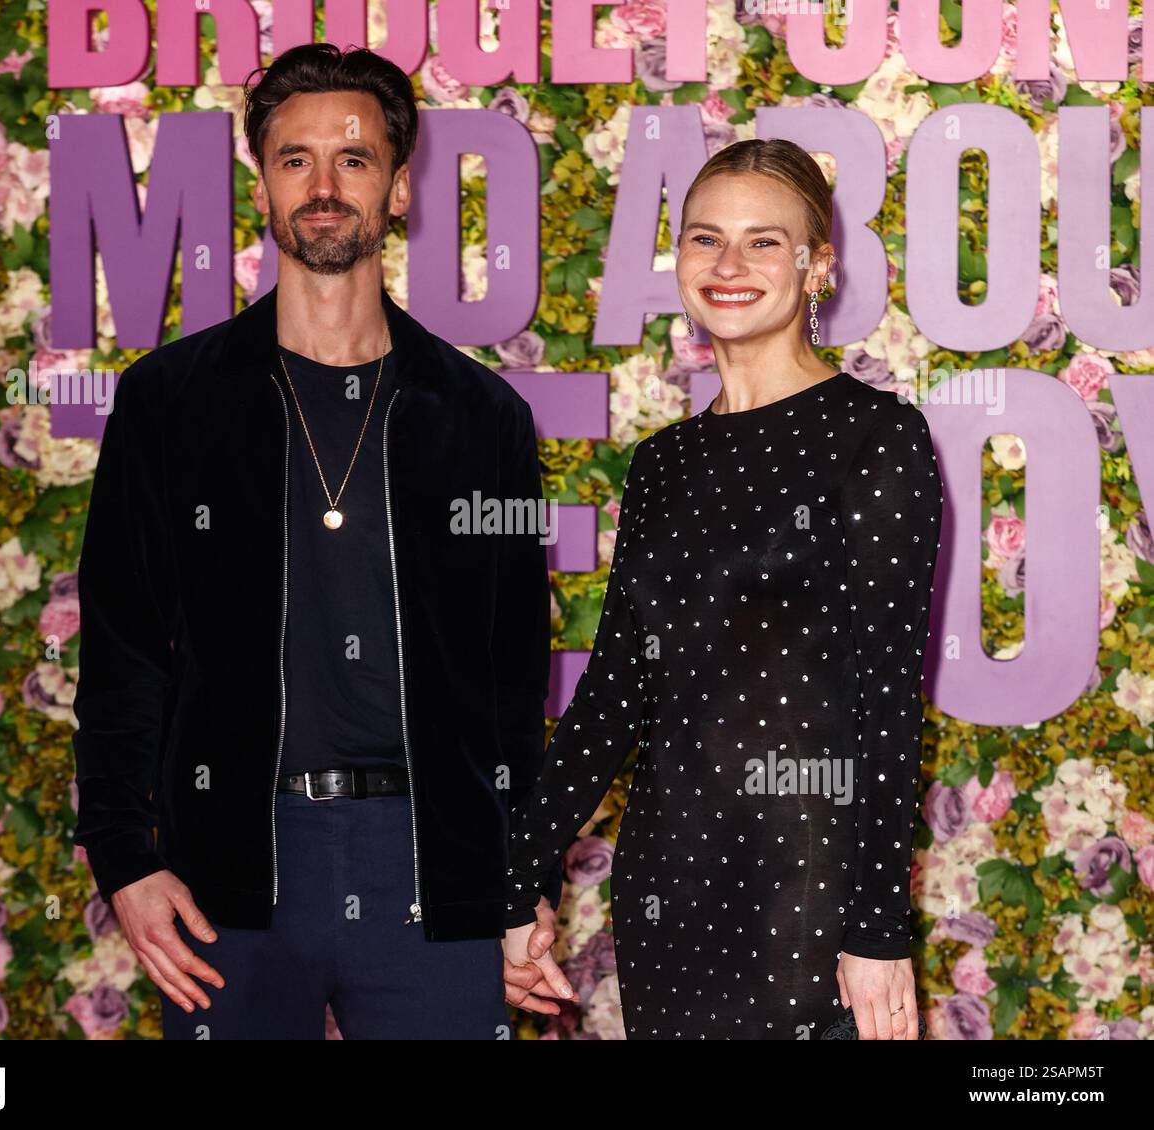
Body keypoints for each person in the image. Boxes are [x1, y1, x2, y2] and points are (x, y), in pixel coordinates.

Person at [70, 42, 561, 1040]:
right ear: (262, 179)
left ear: (397, 185)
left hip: (431, 862)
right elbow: (121, 652)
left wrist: (522, 878)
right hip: (231, 867)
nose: (325, 184)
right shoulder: (169, 404)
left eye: (354, 156)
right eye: (296, 158)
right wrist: (126, 858)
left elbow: (512, 684)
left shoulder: (482, 418)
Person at [502, 138, 945, 1039]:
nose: (729, 266)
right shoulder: (664, 463)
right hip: (668, 887)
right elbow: (617, 691)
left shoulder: (874, 437)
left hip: (806, 892)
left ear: (818, 265)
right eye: (706, 240)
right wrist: (520, 874)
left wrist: (874, 925)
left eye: (763, 242)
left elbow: (887, 698)